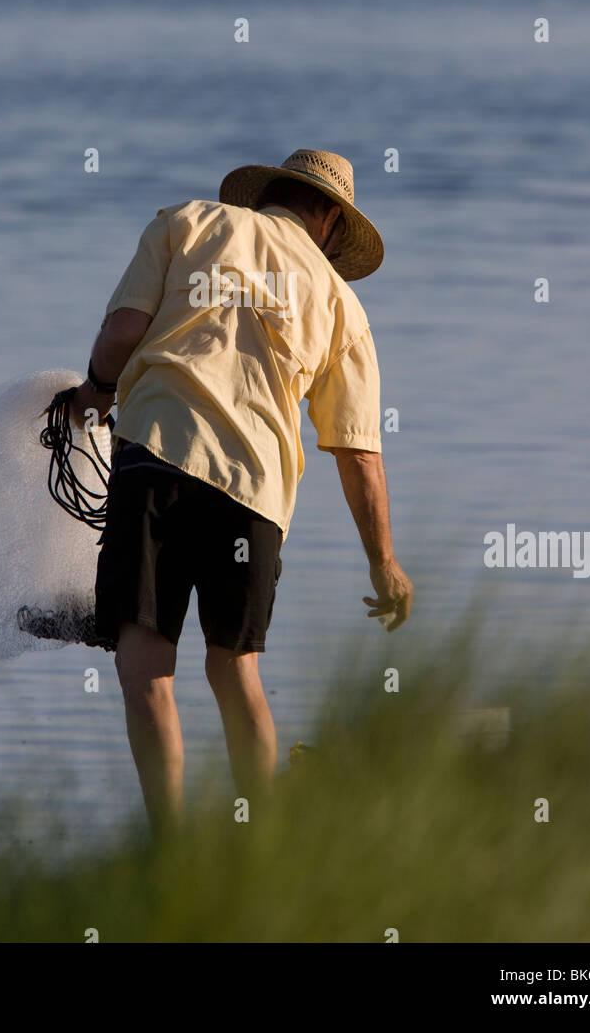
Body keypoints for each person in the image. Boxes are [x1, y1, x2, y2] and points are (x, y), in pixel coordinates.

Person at [67, 149, 413, 832]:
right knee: (235, 668)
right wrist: (385, 564)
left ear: (270, 195)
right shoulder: (342, 305)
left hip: (158, 457)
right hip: (253, 493)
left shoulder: (187, 223)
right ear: (332, 223)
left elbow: (124, 330)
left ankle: (167, 850)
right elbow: (359, 454)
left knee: (147, 668)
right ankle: (256, 844)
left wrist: (95, 389)